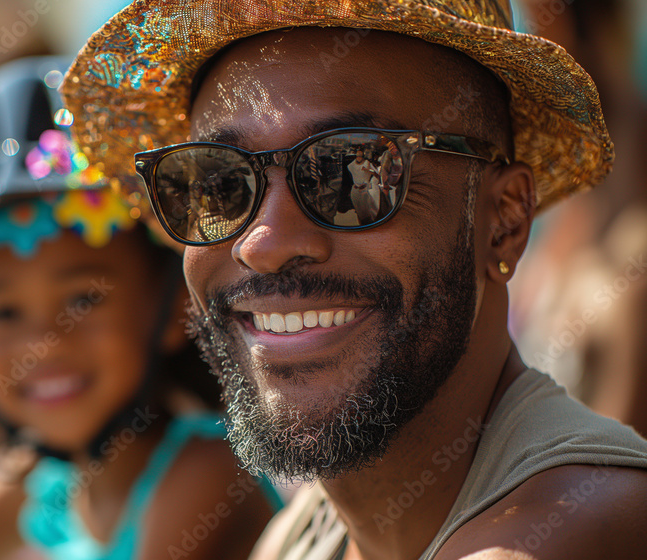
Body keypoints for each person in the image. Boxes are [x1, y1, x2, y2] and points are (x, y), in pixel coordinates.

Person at [60, 2, 647, 559]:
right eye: (218, 183)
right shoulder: (310, 532)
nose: (264, 244)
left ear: (505, 219)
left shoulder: (567, 528)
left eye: (351, 172)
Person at [0, 56, 280, 560]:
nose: (44, 342)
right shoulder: (48, 480)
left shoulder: (205, 473)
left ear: (172, 310)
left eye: (83, 300)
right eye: (4, 314)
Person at [347, 149, 381, 224]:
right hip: (355, 190)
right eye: (357, 156)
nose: (359, 157)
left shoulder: (367, 163)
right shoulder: (351, 165)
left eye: (360, 156)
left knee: (368, 212)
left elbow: (377, 175)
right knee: (359, 212)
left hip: (366, 190)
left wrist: (368, 170)